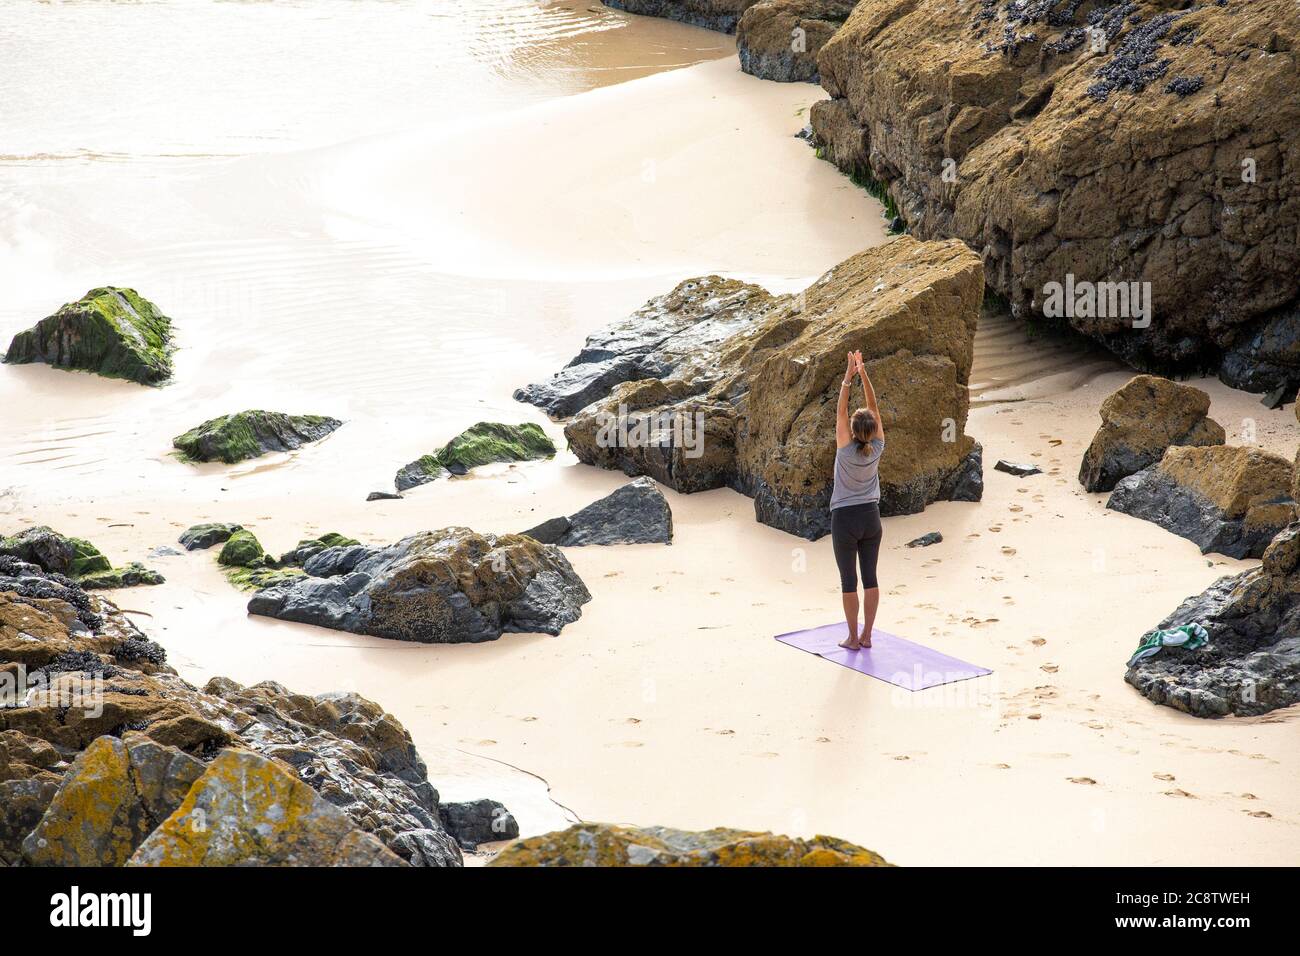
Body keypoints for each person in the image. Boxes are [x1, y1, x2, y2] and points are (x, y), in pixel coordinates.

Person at [832, 350, 885, 650]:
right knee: (870, 578)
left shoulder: (844, 447)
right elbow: (873, 407)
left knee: (848, 581)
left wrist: (847, 378)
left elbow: (841, 413)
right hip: (871, 519)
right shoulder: (877, 447)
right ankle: (868, 636)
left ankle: (853, 638)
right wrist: (863, 372)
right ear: (874, 429)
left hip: (845, 519)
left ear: (852, 431)